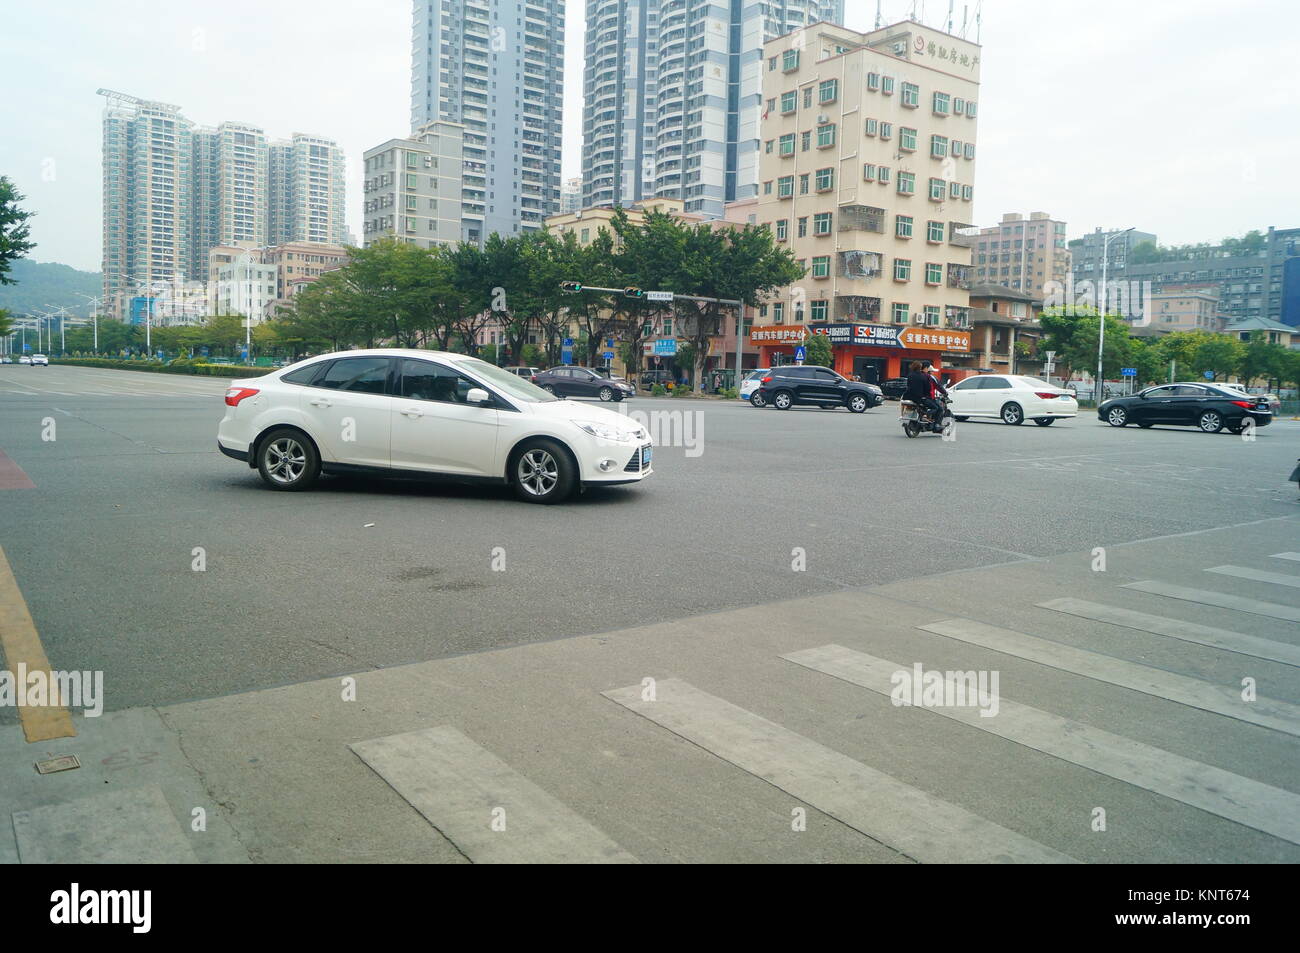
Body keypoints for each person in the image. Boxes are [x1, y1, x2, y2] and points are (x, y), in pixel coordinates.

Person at [904, 361, 942, 426]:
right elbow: (928, 388)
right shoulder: (923, 376)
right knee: (935, 408)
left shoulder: (909, 375)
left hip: (909, 397)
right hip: (920, 398)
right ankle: (925, 415)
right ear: (920, 367)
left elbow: (908, 386)